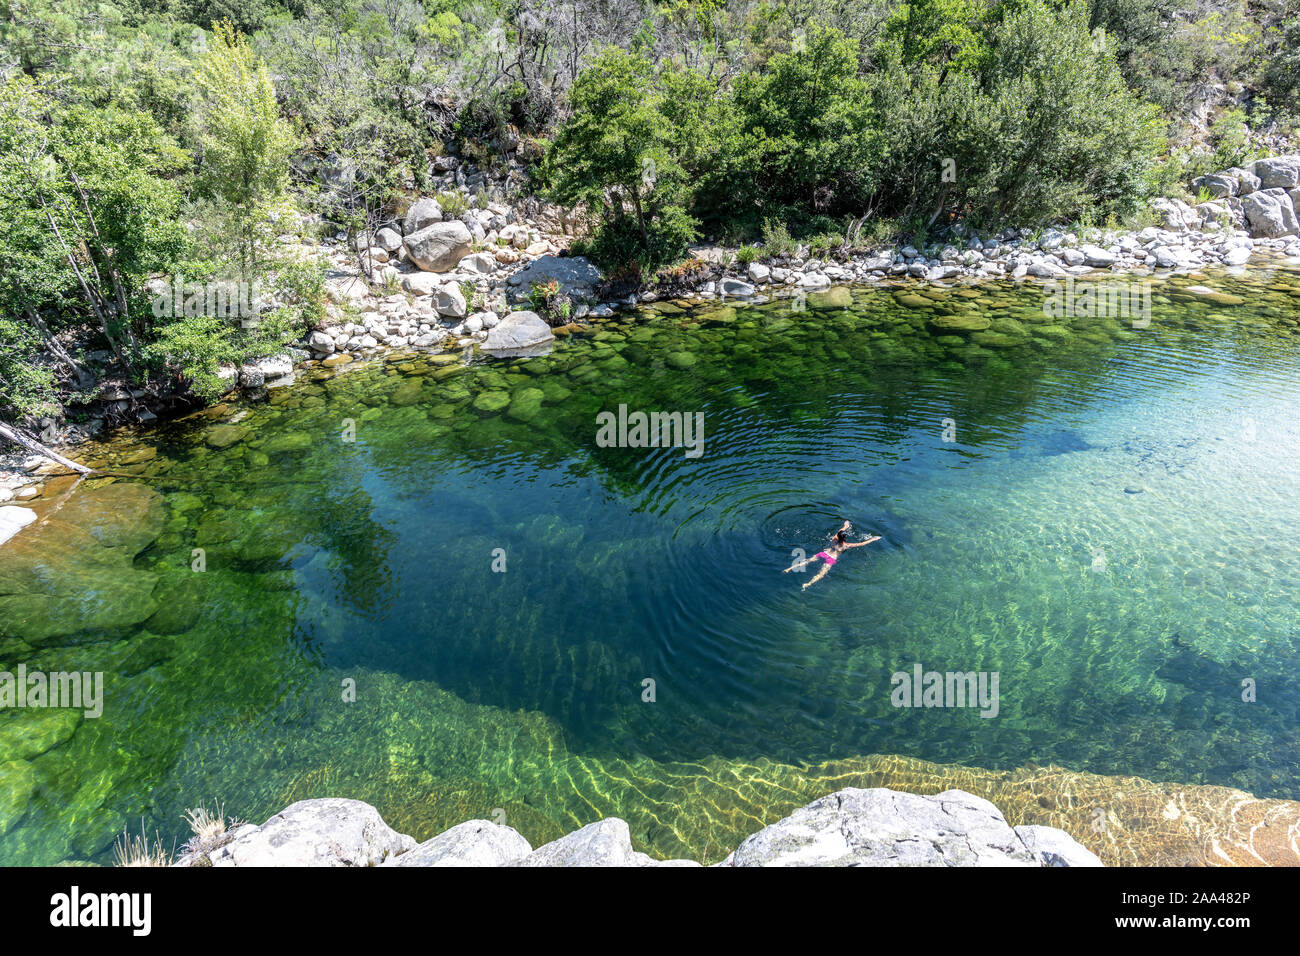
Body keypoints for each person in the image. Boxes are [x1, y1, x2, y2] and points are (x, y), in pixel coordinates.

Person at [783, 520, 881, 590]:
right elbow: (862, 544)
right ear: (845, 538)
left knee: (807, 561)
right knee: (821, 573)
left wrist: (846, 525)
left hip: (824, 553)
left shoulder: (834, 539)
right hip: (832, 559)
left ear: (838, 536)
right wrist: (873, 539)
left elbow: (840, 530)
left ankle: (789, 568)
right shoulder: (846, 545)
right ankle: (807, 584)